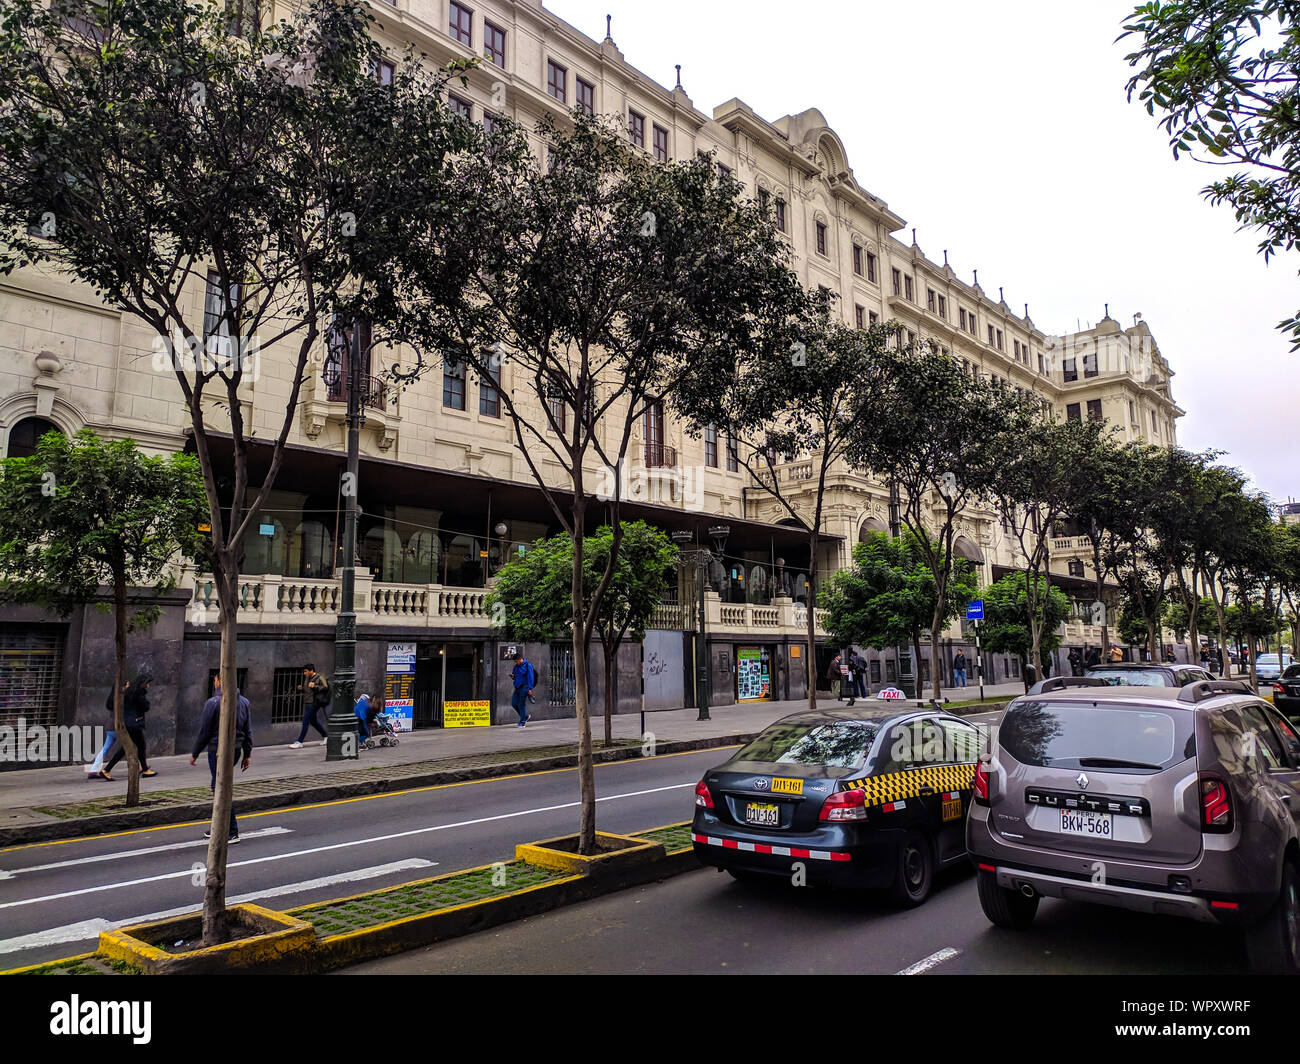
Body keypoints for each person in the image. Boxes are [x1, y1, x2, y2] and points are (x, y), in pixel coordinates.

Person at [190, 674, 252, 843]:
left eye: (215, 680)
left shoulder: (213, 703)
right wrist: (247, 754)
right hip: (237, 749)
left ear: (219, 681)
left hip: (217, 749)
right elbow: (247, 731)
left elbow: (205, 731)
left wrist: (195, 753)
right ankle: (218, 826)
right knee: (219, 784)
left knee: (220, 787)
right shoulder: (244, 702)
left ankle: (231, 830)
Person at [103, 670, 156, 779]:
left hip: (127, 723)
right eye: (148, 683)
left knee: (127, 747)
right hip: (134, 723)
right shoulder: (138, 693)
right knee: (140, 745)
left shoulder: (129, 691)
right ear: (144, 682)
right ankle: (145, 769)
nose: (148, 686)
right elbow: (145, 706)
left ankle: (107, 770)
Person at [86, 681, 124, 780]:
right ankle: (141, 767)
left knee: (105, 749)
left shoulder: (111, 699)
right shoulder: (121, 699)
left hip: (109, 726)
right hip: (118, 727)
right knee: (130, 747)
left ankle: (93, 770)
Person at [291, 663, 329, 748]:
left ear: (311, 670)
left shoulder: (320, 677)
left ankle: (299, 742)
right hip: (307, 701)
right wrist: (301, 689)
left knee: (306, 721)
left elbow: (326, 688)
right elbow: (308, 690)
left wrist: (315, 686)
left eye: (306, 671)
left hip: (314, 702)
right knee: (313, 721)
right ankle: (326, 736)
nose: (304, 673)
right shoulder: (307, 678)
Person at [511, 652, 535, 727]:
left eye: (516, 661)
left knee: (521, 704)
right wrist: (513, 677)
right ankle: (525, 716)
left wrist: (530, 689)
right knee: (514, 703)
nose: (515, 663)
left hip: (525, 687)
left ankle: (522, 722)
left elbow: (530, 677)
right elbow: (515, 676)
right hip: (517, 687)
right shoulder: (516, 667)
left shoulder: (528, 666)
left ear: (520, 659)